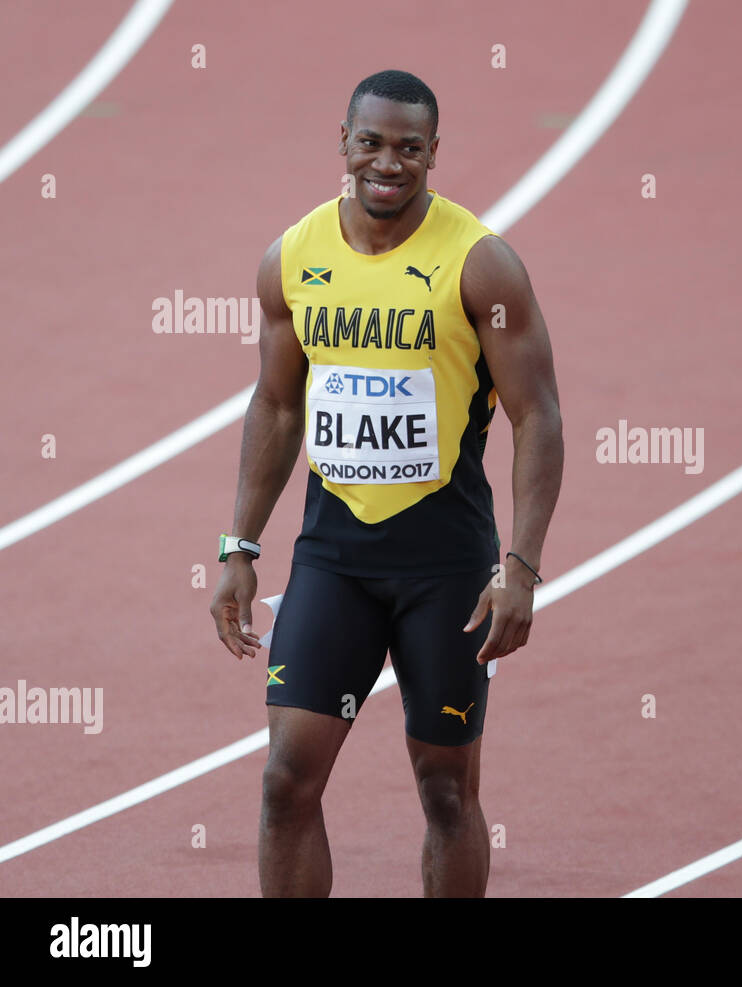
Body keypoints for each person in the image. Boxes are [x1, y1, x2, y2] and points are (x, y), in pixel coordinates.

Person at [208, 70, 563, 898]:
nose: (388, 163)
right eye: (371, 143)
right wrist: (239, 544)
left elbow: (538, 416)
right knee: (285, 779)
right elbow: (277, 406)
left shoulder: (481, 265)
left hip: (446, 566)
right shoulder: (293, 258)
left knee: (445, 790)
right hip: (334, 556)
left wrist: (523, 567)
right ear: (344, 143)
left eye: (410, 148)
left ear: (435, 153)